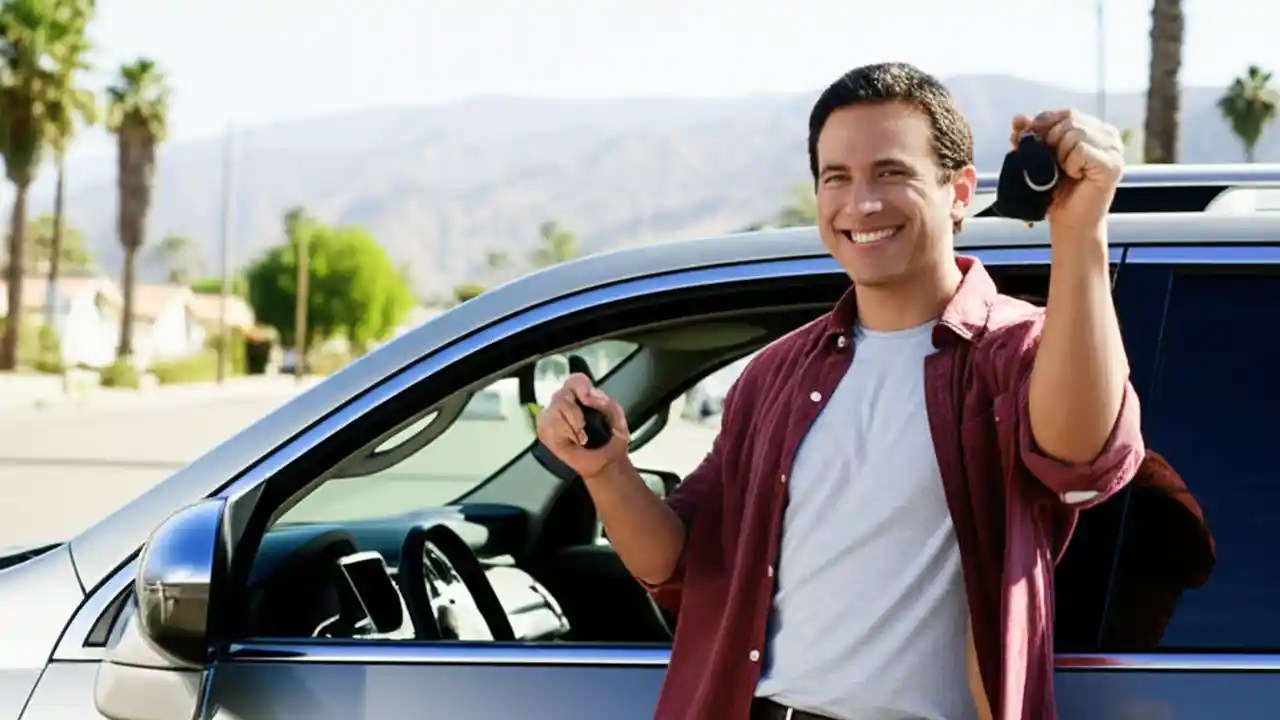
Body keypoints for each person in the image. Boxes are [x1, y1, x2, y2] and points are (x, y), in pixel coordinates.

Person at [536, 62, 1145, 720]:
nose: (861, 204)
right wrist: (605, 470)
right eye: (838, 179)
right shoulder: (776, 374)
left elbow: (1082, 457)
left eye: (892, 173)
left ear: (960, 191)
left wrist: (1081, 231)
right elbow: (679, 561)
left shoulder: (1016, 353)